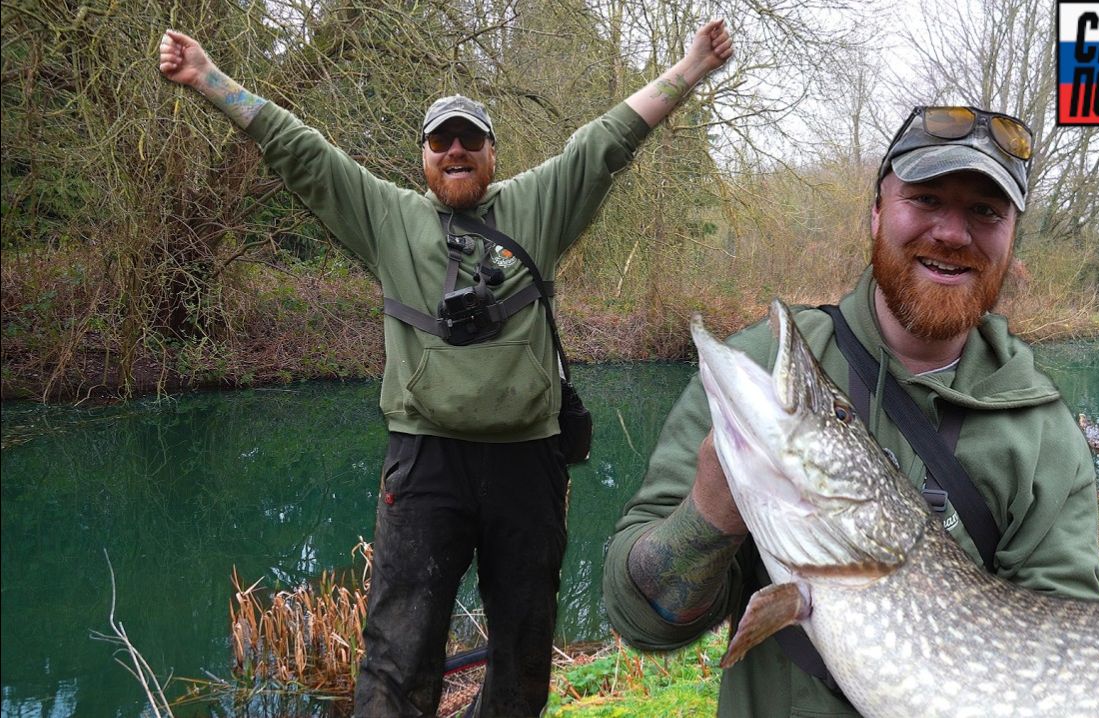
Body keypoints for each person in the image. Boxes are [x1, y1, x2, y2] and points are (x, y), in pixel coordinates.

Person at [159, 20, 733, 717]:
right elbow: (295, 148)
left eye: (469, 139)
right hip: (424, 461)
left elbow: (608, 139)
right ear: (423, 158)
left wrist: (692, 67)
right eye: (441, 141)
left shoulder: (536, 206)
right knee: (398, 650)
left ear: (492, 153)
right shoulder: (386, 216)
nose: (455, 149)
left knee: (523, 648)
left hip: (527, 463)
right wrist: (206, 78)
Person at [602, 106, 1099, 716]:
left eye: (985, 211)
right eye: (924, 199)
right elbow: (642, 620)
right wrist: (712, 511)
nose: (952, 232)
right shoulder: (764, 363)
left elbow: (1064, 670)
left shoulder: (1047, 438)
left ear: (1011, 238)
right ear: (876, 212)